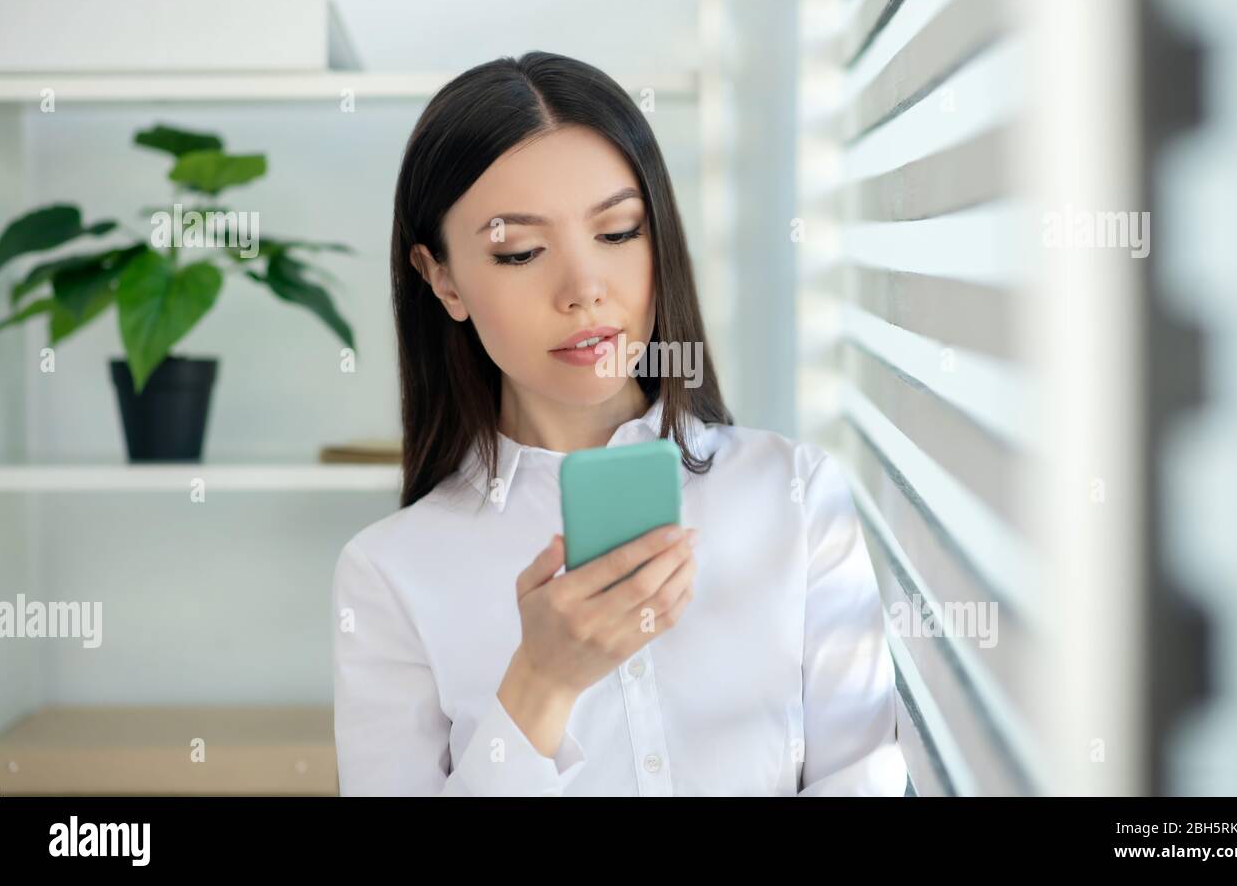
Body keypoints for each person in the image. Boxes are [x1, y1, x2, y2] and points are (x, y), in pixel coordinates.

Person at [331, 50, 906, 796]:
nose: (584, 292)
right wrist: (540, 683)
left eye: (617, 233)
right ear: (442, 278)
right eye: (521, 252)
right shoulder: (389, 575)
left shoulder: (795, 497)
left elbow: (861, 778)